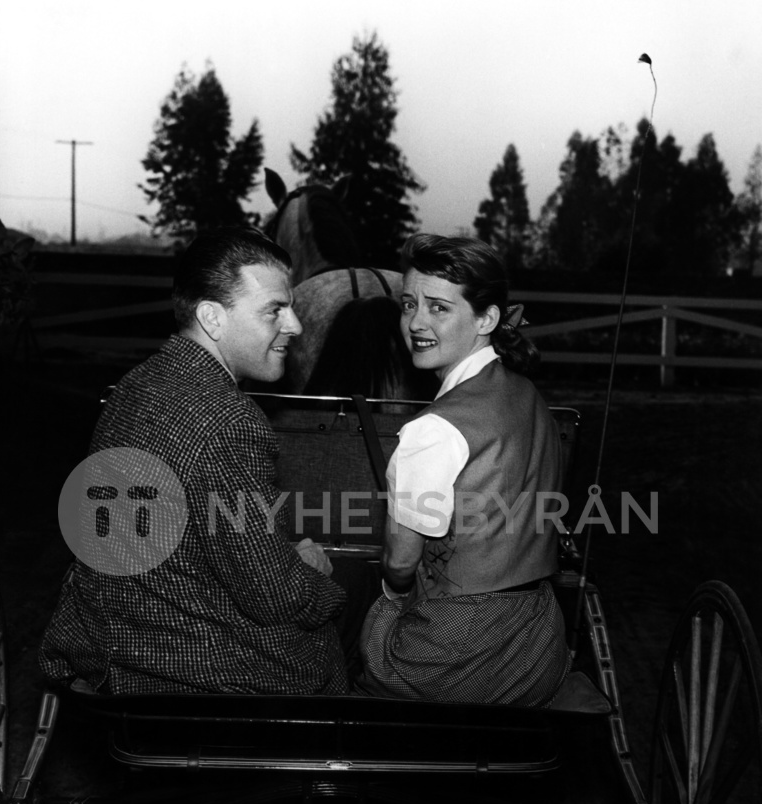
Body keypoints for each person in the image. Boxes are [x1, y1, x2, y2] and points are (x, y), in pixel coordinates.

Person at [40, 226, 354, 696]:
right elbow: (274, 596)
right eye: (274, 309)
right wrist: (316, 575)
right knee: (347, 617)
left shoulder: (136, 384)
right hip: (188, 665)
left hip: (111, 635)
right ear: (212, 318)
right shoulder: (229, 421)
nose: (295, 325)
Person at [357, 234, 570, 706]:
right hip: (540, 642)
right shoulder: (528, 395)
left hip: (461, 654)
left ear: (486, 319)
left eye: (438, 308)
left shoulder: (431, 431)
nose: (416, 322)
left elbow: (400, 563)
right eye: (409, 304)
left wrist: (391, 598)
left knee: (347, 660)